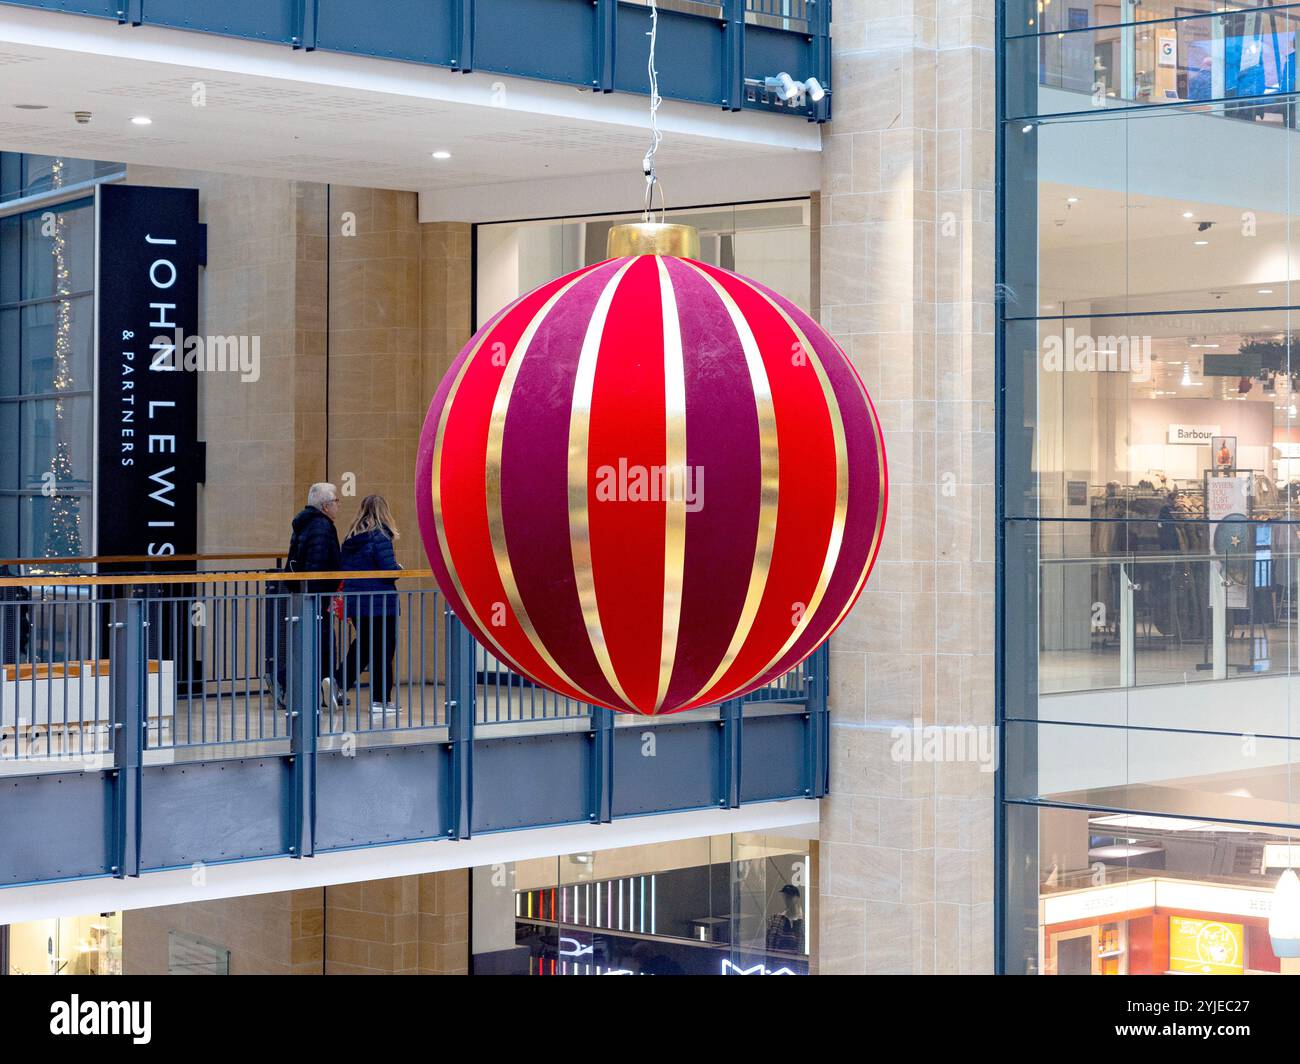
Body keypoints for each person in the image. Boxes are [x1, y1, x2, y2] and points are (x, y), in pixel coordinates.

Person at [330, 494, 402, 715]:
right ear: (384, 512)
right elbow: (387, 570)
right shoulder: (380, 536)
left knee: (364, 646)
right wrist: (398, 568)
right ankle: (380, 700)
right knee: (384, 649)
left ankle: (337, 683)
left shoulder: (351, 538)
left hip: (358, 601)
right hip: (381, 603)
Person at [288, 483, 341, 706]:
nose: (339, 505)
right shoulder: (321, 525)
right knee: (323, 642)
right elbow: (319, 562)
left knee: (309, 641)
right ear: (326, 505)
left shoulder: (304, 523)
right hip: (317, 595)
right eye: (336, 501)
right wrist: (325, 589)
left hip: (305, 592)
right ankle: (324, 686)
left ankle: (299, 685)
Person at [765, 884, 804, 954]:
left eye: (790, 896)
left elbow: (801, 946)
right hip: (776, 960)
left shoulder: (802, 924)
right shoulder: (774, 920)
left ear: (797, 898)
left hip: (793, 962)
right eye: (786, 896)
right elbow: (768, 943)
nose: (787, 899)